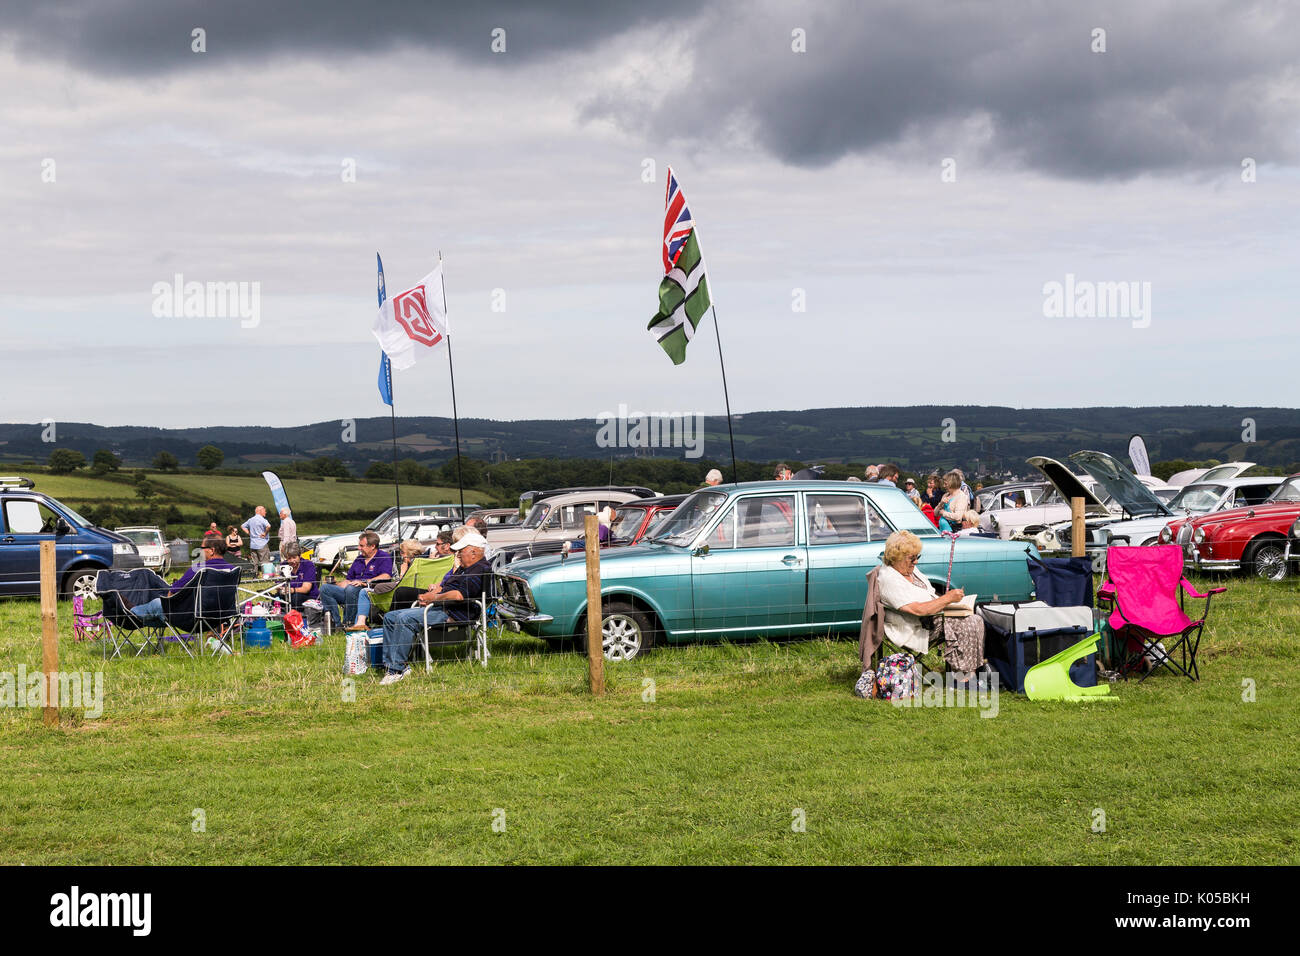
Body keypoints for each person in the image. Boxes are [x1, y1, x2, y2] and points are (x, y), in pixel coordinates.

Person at [377, 531, 491, 684]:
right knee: (391, 617)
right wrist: (432, 597)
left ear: (474, 552)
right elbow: (447, 588)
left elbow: (459, 596)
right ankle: (393, 665)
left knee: (404, 618)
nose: (457, 554)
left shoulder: (479, 569)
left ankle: (396, 670)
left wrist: (434, 599)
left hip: (455, 613)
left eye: (460, 551)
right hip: (443, 608)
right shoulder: (465, 567)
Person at [875, 530, 966, 658]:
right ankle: (963, 675)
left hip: (933, 619)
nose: (916, 562)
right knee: (967, 624)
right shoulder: (889, 578)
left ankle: (976, 671)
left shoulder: (909, 569)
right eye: (911, 558)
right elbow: (917, 610)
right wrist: (947, 599)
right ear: (897, 557)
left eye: (917, 557)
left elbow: (930, 594)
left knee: (977, 618)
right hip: (915, 629)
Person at [130, 539, 235, 625]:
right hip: (222, 616)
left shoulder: (199, 568)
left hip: (192, 617)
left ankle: (131, 614)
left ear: (212, 550)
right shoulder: (233, 570)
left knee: (157, 604)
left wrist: (169, 602)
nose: (200, 551)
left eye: (202, 548)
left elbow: (173, 591)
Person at [346, 539, 427, 631]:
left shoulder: (410, 566)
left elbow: (402, 584)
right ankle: (358, 624)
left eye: (403, 552)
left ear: (411, 553)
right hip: (417, 597)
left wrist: (402, 572)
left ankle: (359, 623)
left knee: (364, 592)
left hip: (395, 597)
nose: (401, 555)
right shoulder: (424, 564)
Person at [319, 531, 393, 630]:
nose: (359, 548)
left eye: (362, 546)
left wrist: (365, 582)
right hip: (351, 592)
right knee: (325, 588)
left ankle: (349, 623)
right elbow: (348, 580)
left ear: (372, 546)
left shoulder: (383, 557)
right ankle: (336, 624)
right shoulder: (359, 559)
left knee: (352, 588)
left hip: (369, 592)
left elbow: (386, 576)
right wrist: (336, 584)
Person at [279, 542, 318, 612]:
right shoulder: (284, 565)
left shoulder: (308, 565)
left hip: (308, 596)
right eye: (289, 558)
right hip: (288, 595)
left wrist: (292, 590)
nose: (292, 561)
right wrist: (281, 589)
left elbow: (306, 588)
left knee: (296, 598)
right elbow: (278, 584)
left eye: (294, 557)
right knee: (276, 599)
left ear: (299, 556)